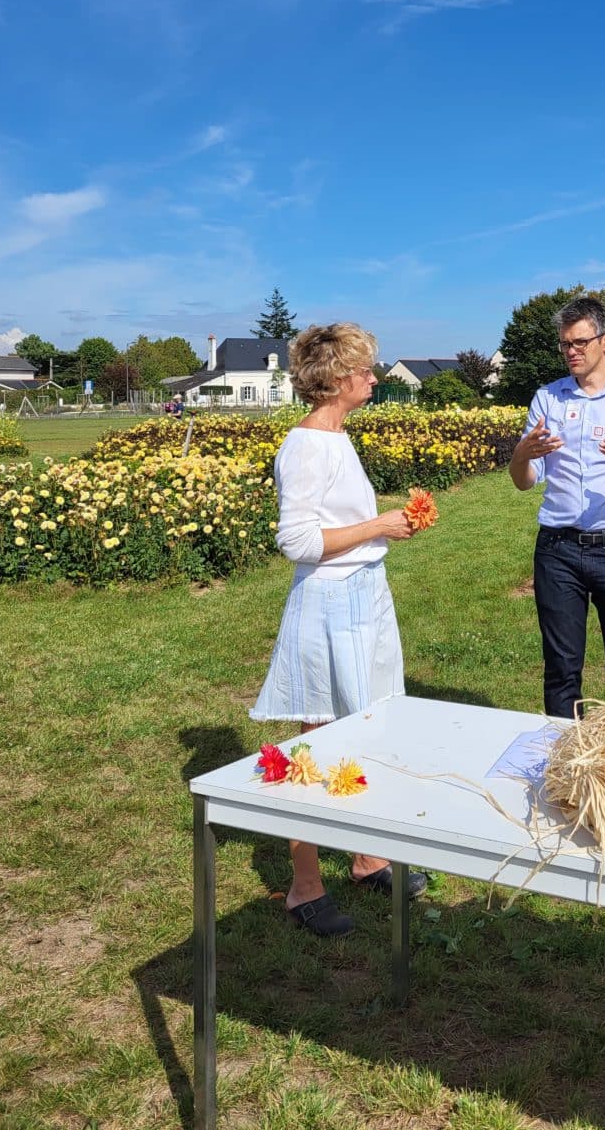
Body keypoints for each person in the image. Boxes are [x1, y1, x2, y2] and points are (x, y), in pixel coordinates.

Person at [250, 322, 427, 936]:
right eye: (366, 369)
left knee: (370, 729)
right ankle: (304, 885)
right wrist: (380, 525)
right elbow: (296, 542)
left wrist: (385, 528)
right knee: (314, 744)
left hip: (364, 596)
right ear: (337, 378)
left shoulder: (337, 437)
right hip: (328, 605)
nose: (374, 378)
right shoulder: (305, 445)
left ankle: (365, 854)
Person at [508, 296, 605, 720]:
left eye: (580, 342)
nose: (571, 352)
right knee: (561, 669)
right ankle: (563, 764)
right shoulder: (548, 399)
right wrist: (521, 455)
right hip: (558, 551)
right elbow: (525, 482)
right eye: (564, 344)